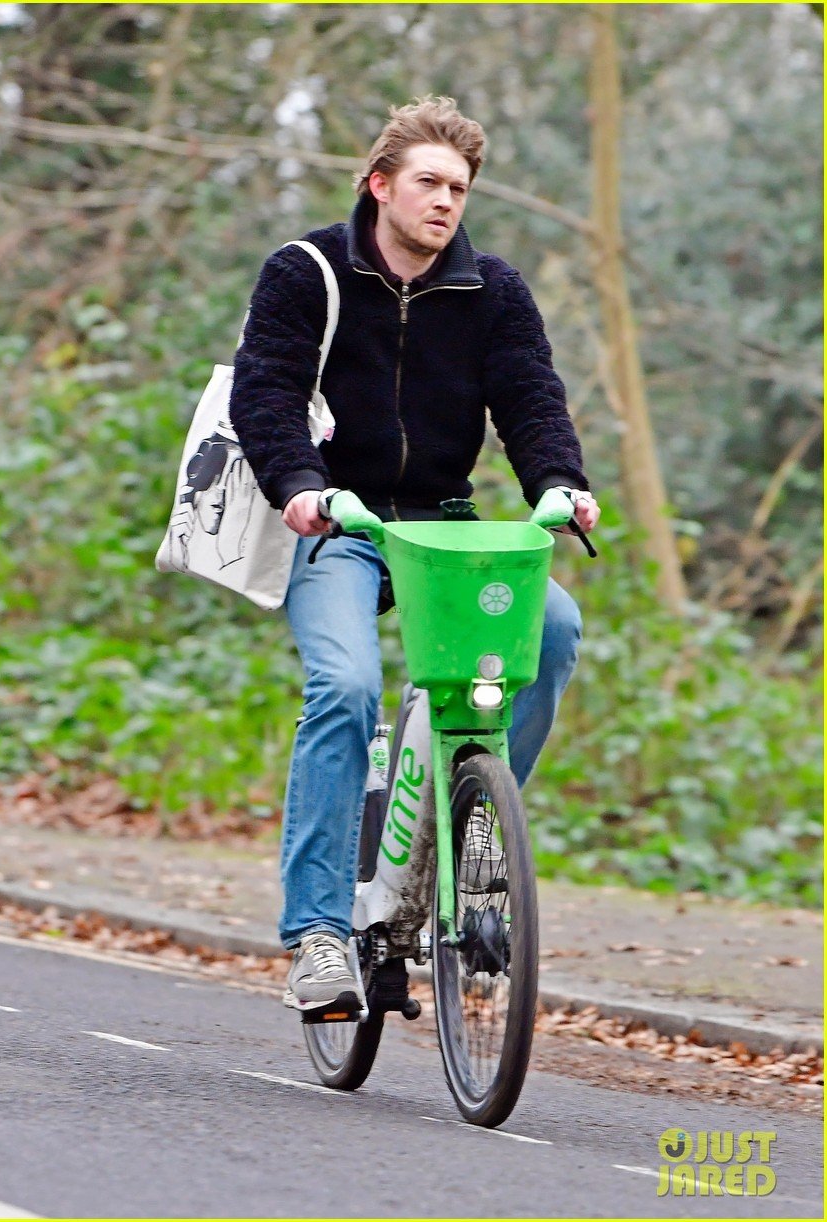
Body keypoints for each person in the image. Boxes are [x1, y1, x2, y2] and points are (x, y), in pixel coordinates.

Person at [229, 97, 600, 1012]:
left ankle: (469, 842)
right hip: (340, 524)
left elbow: (530, 398)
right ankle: (317, 933)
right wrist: (300, 488)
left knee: (552, 627)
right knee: (347, 687)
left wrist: (559, 479)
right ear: (380, 184)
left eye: (459, 189)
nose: (445, 202)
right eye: (428, 182)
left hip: (444, 524)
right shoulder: (305, 272)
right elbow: (265, 395)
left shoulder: (493, 290)